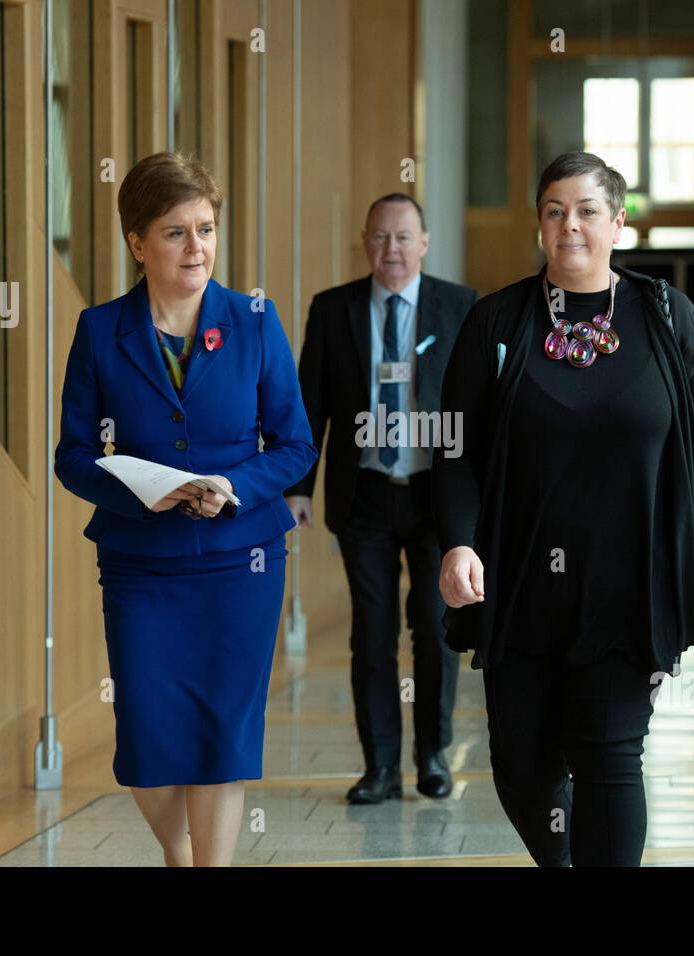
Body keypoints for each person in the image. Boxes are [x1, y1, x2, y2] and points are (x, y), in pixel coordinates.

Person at [432, 151, 694, 866]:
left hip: (630, 585)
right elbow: (456, 450)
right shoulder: (495, 321)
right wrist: (458, 543)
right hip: (520, 583)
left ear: (619, 224)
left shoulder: (668, 318)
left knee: (609, 755)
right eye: (555, 212)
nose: (571, 226)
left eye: (588, 211)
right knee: (522, 770)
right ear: (539, 227)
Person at [54, 152, 317, 866]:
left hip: (243, 561)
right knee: (144, 741)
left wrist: (234, 486)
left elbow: (295, 445)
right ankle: (183, 852)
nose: (196, 247)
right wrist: (140, 489)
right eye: (176, 232)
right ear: (138, 243)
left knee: (222, 737)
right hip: (142, 563)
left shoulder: (255, 322)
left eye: (205, 228)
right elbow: (72, 456)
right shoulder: (100, 331)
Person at [284, 194, 479, 803]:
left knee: (435, 626)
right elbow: (307, 404)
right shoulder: (333, 309)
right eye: (379, 238)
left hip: (435, 497)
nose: (390, 250)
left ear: (424, 243)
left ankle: (433, 755)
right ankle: (381, 768)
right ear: (364, 242)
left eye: (403, 238)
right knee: (372, 632)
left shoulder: (461, 307)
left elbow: (480, 407)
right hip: (363, 492)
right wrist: (298, 488)